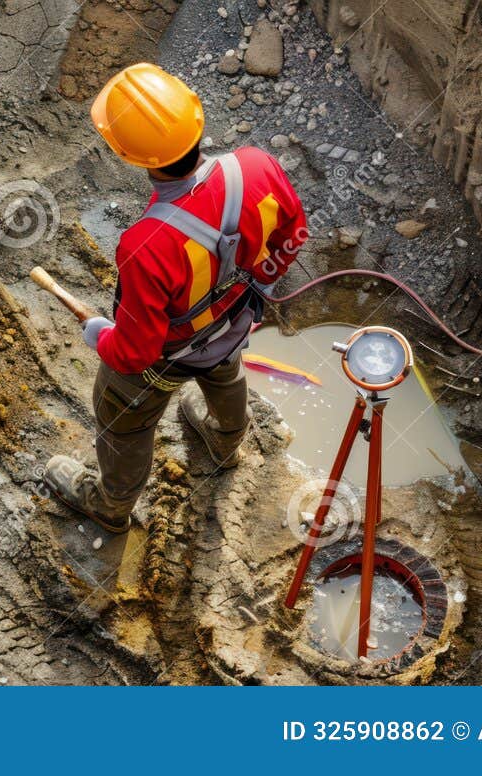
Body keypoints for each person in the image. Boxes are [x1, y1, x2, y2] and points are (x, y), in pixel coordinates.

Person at [44, 62, 308, 533]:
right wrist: (259, 289)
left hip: (167, 358)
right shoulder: (256, 165)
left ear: (132, 157)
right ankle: (226, 447)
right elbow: (294, 232)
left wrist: (100, 336)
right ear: (196, 117)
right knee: (226, 374)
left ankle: (112, 506)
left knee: (122, 420)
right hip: (233, 326)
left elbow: (135, 352)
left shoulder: (145, 245)